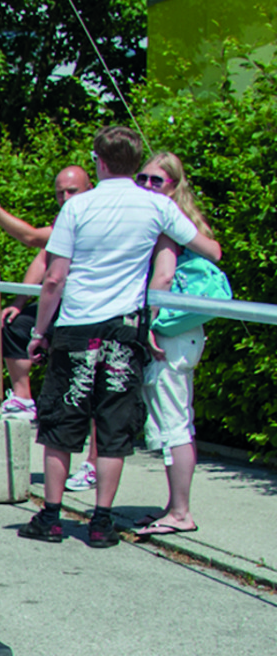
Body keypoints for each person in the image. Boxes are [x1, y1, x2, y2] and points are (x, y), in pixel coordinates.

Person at [20, 125, 221, 548]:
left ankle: (52, 517)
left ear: (101, 161)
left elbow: (55, 278)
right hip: (124, 330)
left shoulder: (77, 208)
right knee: (113, 425)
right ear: (134, 163)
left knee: (61, 423)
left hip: (76, 326)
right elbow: (210, 250)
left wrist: (40, 331)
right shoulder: (156, 207)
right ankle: (101, 521)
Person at [132, 151, 225, 540]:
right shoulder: (188, 219)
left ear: (174, 185)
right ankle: (176, 507)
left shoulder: (168, 223)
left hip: (169, 331)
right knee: (178, 416)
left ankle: (181, 511)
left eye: (158, 181)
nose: (149, 187)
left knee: (174, 422)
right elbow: (215, 251)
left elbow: (165, 275)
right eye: (143, 179)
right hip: (186, 331)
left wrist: (151, 323)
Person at [0, 165, 92, 419]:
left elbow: (31, 237)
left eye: (72, 192)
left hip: (87, 307)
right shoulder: (63, 219)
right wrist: (19, 302)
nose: (65, 199)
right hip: (59, 303)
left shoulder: (92, 217)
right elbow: (43, 260)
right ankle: (22, 400)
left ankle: (81, 414)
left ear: (90, 189)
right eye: (60, 193)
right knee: (14, 324)